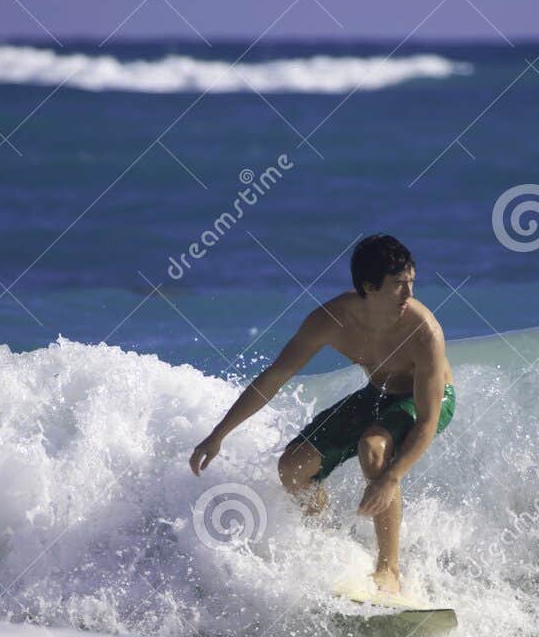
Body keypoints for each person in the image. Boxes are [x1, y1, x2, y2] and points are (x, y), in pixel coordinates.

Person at [189, 234, 455, 595]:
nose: (409, 295)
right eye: (397, 285)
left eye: (411, 282)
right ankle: (329, 545)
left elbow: (425, 421)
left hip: (428, 400)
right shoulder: (330, 320)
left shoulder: (423, 331)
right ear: (368, 287)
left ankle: (390, 571)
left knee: (373, 448)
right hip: (378, 394)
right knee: (293, 467)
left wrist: (390, 478)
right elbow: (275, 377)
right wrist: (219, 434)